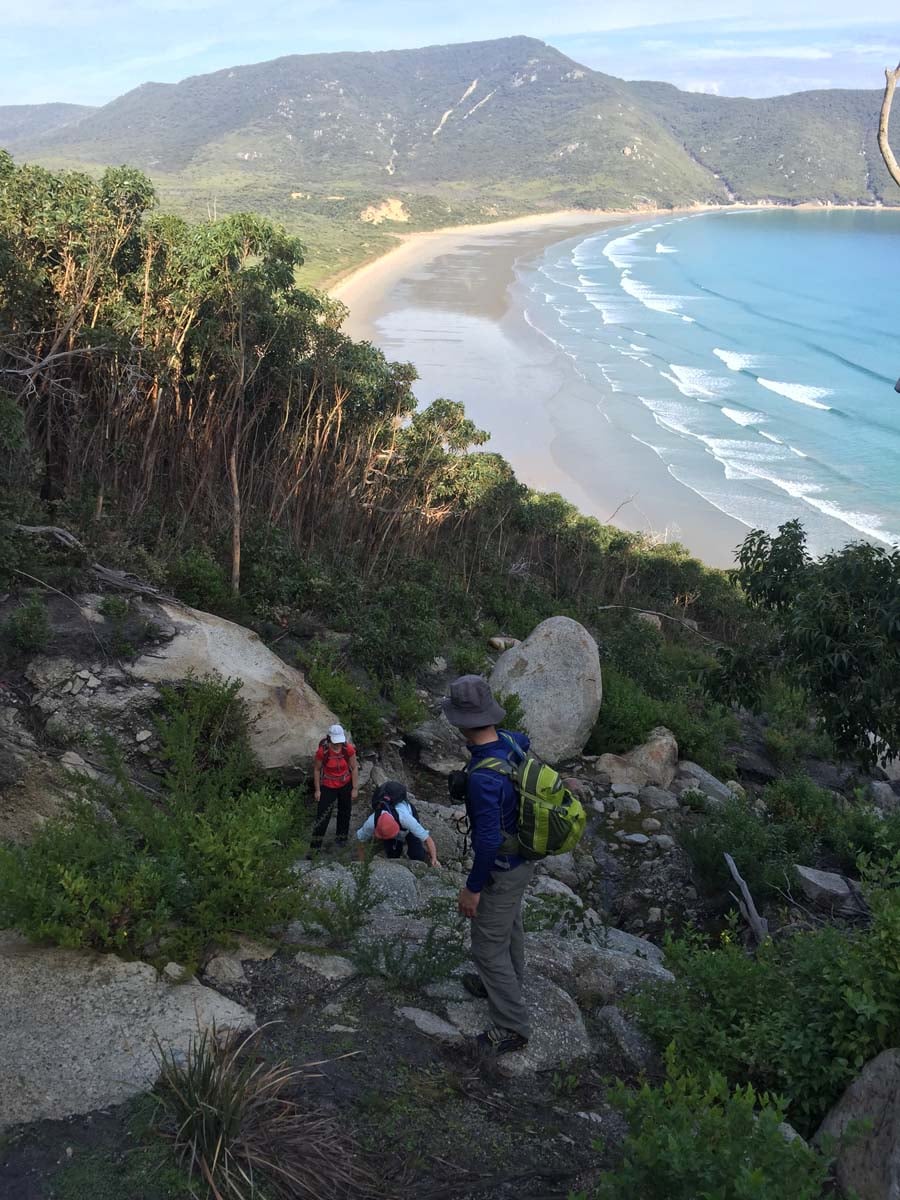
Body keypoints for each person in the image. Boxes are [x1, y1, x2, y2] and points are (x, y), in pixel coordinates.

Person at [442, 675, 533, 1056]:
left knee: (485, 946)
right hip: (523, 857)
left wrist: (472, 888)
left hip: (501, 865)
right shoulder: (512, 741)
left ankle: (512, 1027)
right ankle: (502, 983)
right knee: (508, 925)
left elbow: (488, 841)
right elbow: (526, 744)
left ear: (462, 721)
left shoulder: (482, 781)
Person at [356, 780, 440, 866]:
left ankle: (420, 854)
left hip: (408, 817)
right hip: (396, 825)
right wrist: (362, 862)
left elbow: (427, 839)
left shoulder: (406, 819)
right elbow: (360, 839)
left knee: (417, 855)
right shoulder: (372, 822)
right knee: (393, 855)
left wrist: (434, 858)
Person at [310, 723, 358, 852]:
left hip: (345, 784)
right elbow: (317, 770)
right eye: (335, 741)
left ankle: (341, 838)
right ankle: (315, 848)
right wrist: (318, 790)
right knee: (323, 816)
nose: (338, 744)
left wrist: (354, 788)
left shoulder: (348, 749)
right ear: (329, 738)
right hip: (328, 786)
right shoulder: (323, 752)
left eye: (339, 741)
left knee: (345, 812)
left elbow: (354, 768)